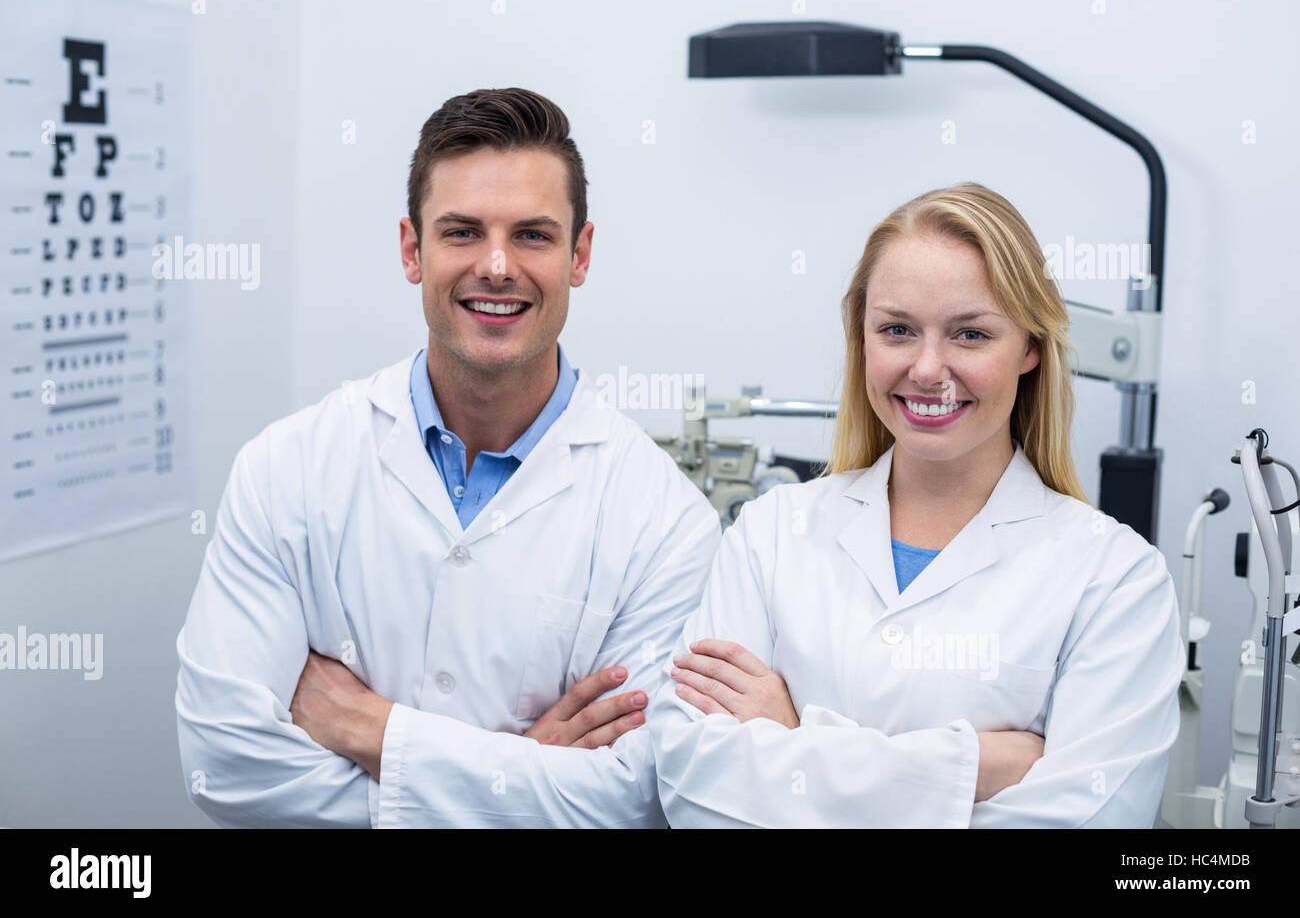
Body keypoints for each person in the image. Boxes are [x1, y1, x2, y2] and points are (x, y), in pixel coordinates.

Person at [175, 88, 720, 827]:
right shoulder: (288, 468)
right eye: (462, 232)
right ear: (412, 248)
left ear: (579, 254)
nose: (496, 268)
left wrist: (370, 729)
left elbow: (636, 798)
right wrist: (524, 772)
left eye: (532, 235)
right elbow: (224, 768)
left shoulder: (665, 521)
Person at [649, 183, 1184, 827]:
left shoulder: (1115, 579)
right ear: (862, 341)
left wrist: (793, 741)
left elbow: (1089, 821)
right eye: (898, 330)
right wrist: (972, 769)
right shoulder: (771, 535)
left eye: (970, 334)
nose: (929, 369)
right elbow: (693, 787)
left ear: (1031, 348)